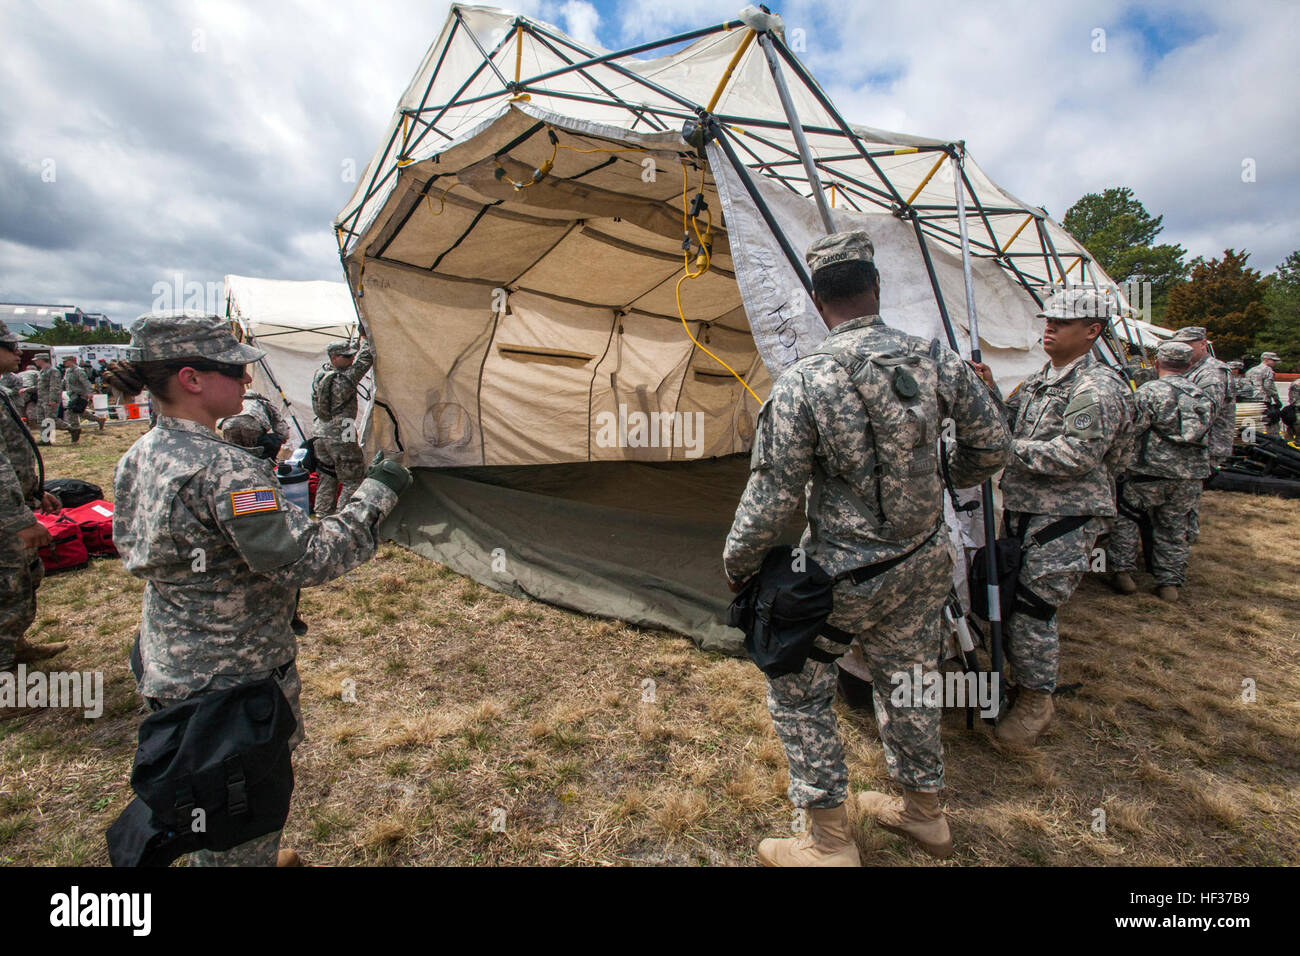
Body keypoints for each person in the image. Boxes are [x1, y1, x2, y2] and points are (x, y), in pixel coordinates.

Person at [724, 232, 1009, 867]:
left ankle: (827, 841)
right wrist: (944, 477)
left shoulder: (805, 382)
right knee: (908, 680)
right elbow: (993, 448)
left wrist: (740, 567)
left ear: (816, 299)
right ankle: (924, 814)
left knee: (797, 688)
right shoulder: (936, 359)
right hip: (924, 558)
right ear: (875, 288)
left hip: (842, 577)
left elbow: (773, 493)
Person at [106, 311, 412, 866]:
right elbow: (307, 560)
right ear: (191, 379)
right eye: (234, 371)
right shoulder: (224, 470)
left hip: (169, 659)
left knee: (206, 800)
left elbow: (133, 550)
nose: (248, 381)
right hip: (231, 683)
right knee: (235, 806)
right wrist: (378, 492)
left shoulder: (140, 456)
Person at [970, 288, 1134, 748]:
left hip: (1066, 514)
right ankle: (1016, 680)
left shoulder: (1095, 388)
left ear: (1092, 332)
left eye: (1061, 322)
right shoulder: (1043, 379)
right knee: (1007, 595)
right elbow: (1011, 424)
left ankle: (1036, 701)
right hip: (1028, 508)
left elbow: (1074, 455)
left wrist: (1002, 450)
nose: (1050, 327)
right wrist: (989, 392)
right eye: (1048, 319)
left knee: (1033, 606)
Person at [1107, 342, 1213, 602]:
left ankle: (1123, 572)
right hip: (1189, 475)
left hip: (1148, 471)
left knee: (1127, 518)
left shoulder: (1148, 392)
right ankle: (1169, 582)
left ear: (1156, 364)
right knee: (1175, 526)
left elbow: (1132, 430)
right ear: (1189, 365)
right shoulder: (1201, 396)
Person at [0, 322, 68, 671]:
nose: (17, 353)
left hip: (14, 506)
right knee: (8, 586)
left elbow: (10, 454)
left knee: (23, 577)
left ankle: (13, 644)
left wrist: (33, 493)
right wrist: (16, 520)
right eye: (10, 346)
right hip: (5, 518)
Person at [311, 337, 373, 516]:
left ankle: (322, 514)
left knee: (327, 475)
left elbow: (354, 355)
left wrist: (356, 340)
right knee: (352, 478)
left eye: (351, 356)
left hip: (320, 431)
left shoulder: (321, 374)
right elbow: (365, 358)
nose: (351, 359)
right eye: (346, 357)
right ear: (334, 358)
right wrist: (367, 334)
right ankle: (345, 517)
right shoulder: (345, 378)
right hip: (342, 430)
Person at [220, 390, 293, 460]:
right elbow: (280, 424)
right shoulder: (263, 402)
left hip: (228, 425)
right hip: (251, 424)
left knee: (234, 455)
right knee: (252, 455)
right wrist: (281, 438)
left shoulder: (234, 401)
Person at [60, 354, 97, 442]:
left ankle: (75, 430)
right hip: (71, 394)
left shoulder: (79, 371)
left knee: (71, 412)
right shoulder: (68, 371)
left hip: (79, 395)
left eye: (66, 361)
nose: (64, 363)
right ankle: (98, 420)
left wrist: (90, 392)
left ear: (72, 361)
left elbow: (85, 382)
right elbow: (65, 382)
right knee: (79, 412)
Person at [32, 354, 65, 444]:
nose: (35, 362)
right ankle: (45, 440)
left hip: (49, 399)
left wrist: (52, 400)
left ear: (42, 360)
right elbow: (41, 386)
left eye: (37, 360)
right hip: (41, 399)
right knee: (41, 420)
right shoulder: (42, 371)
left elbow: (55, 386)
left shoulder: (53, 371)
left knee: (51, 419)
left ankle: (72, 429)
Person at [1245, 352, 1281, 435]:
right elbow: (1268, 386)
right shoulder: (1268, 370)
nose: (1275, 363)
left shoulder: (1250, 371)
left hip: (1251, 400)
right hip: (1264, 400)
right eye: (1273, 361)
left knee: (1255, 423)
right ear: (1267, 360)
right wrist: (1276, 399)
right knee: (1270, 424)